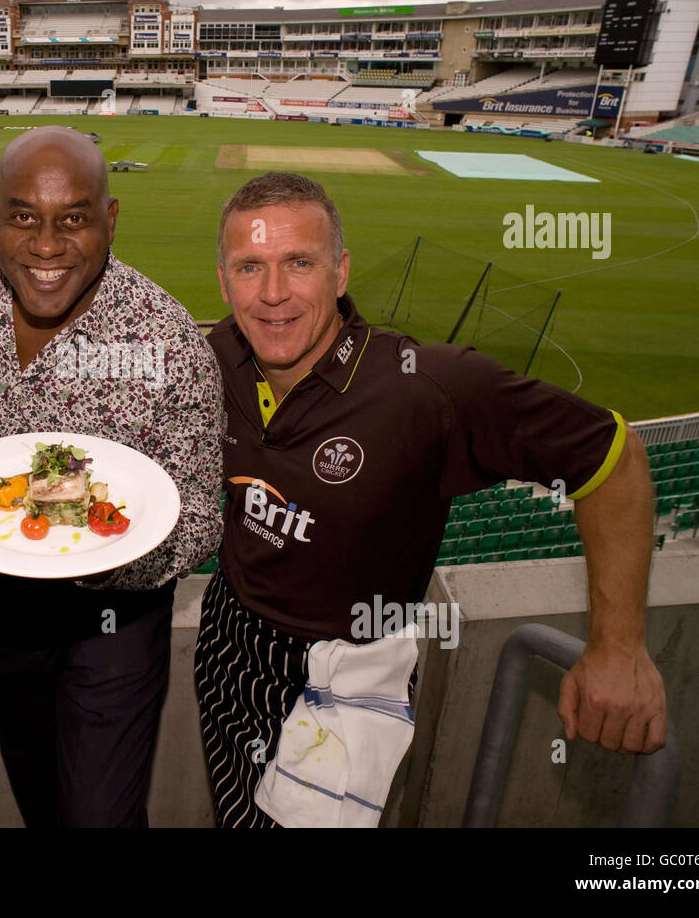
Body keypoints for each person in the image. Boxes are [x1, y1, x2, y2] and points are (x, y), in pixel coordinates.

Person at [196, 171, 667, 828]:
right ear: (224, 283)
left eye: (298, 263)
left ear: (340, 273)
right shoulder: (216, 353)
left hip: (353, 672)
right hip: (230, 638)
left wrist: (617, 648)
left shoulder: (429, 388)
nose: (272, 294)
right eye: (249, 268)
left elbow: (613, 459)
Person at [0, 125, 222, 827]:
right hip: (3, 604)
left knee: (99, 817)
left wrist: (104, 551)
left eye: (73, 218)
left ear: (111, 219)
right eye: (24, 216)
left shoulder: (168, 341)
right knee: (38, 798)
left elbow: (203, 512)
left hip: (115, 624)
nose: (45, 245)